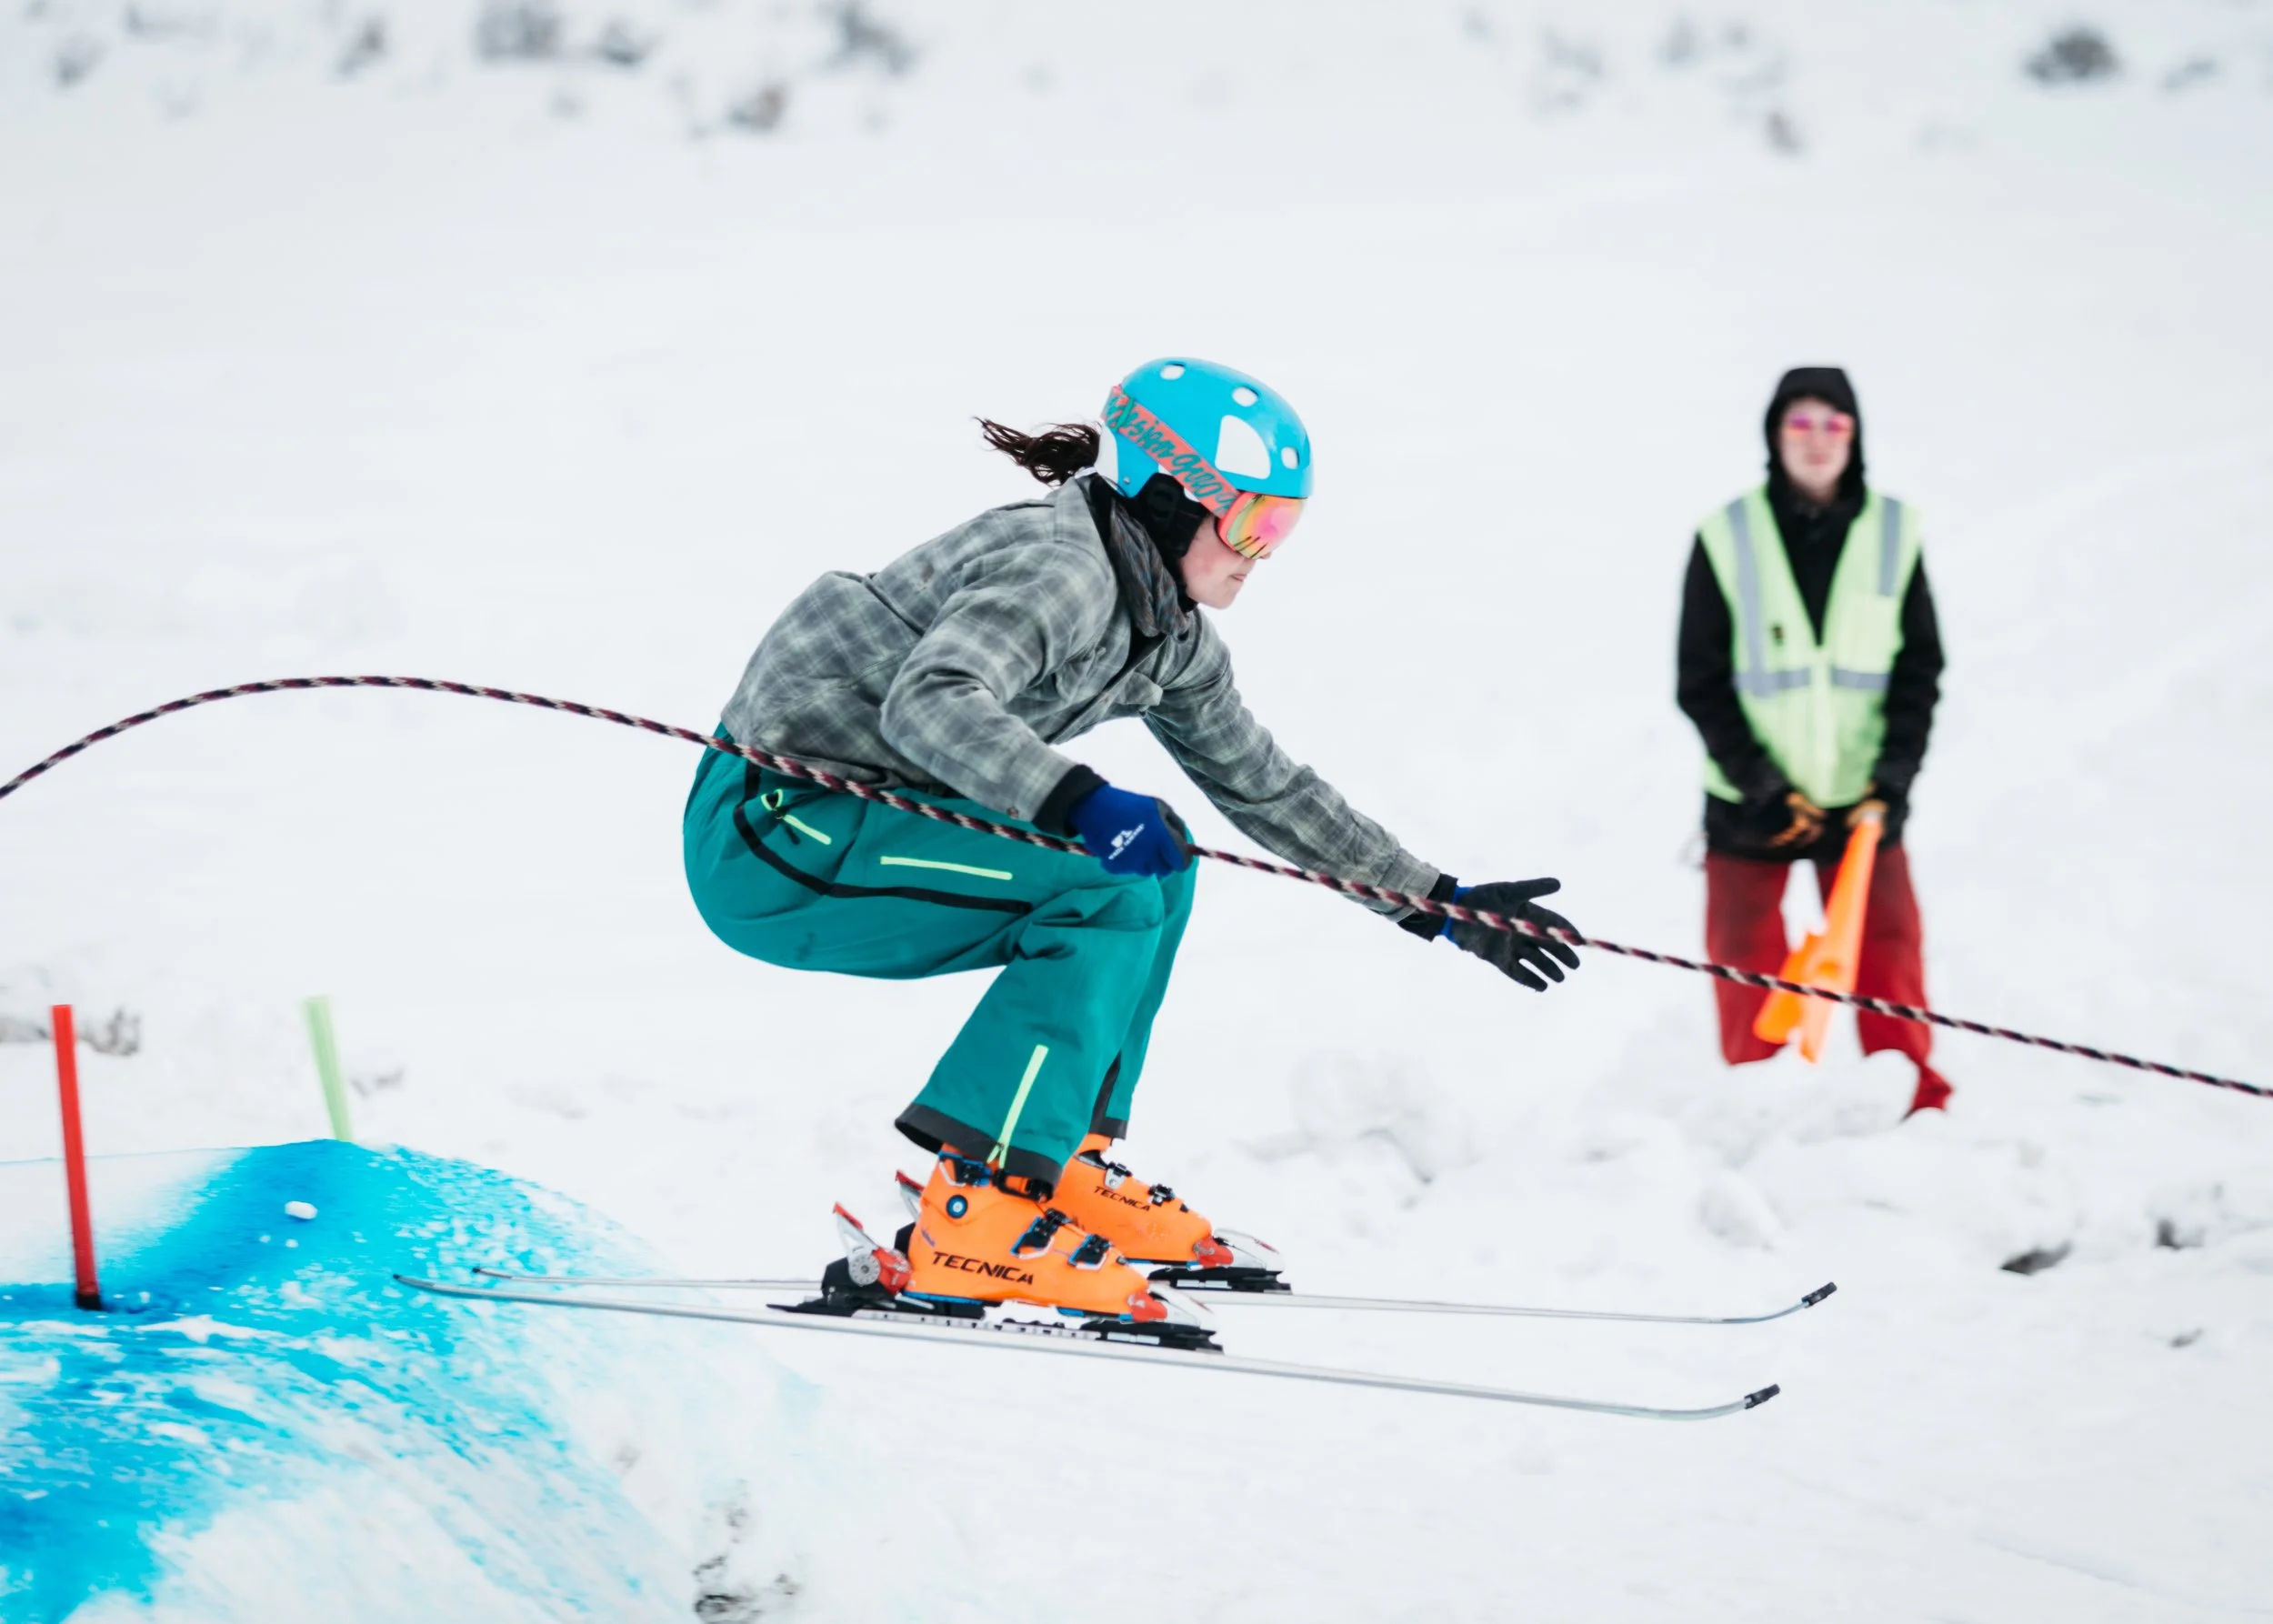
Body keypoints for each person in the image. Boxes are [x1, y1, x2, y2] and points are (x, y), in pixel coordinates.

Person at [682, 357, 1582, 1329]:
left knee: (1162, 859)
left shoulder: (1166, 631)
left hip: (876, 822)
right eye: (1252, 523)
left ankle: (1056, 1159)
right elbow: (931, 699)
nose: (1260, 552)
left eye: (1280, 528)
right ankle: (976, 1208)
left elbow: (1265, 784)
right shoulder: (1062, 570)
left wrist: (1433, 900)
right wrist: (1080, 801)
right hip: (778, 828)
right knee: (1101, 886)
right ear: (1170, 497)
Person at [1676, 366, 1951, 1116]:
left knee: (1888, 954)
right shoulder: (1725, 535)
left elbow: (1918, 669)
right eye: (1801, 423)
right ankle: (1754, 1111)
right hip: (1750, 801)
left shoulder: (1896, 532)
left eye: (1835, 424)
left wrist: (1891, 781)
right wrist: (1764, 787)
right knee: (1747, 965)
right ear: (1775, 435)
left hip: (1864, 800)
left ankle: (1911, 1105)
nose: (1818, 440)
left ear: (1855, 437)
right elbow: (1698, 681)